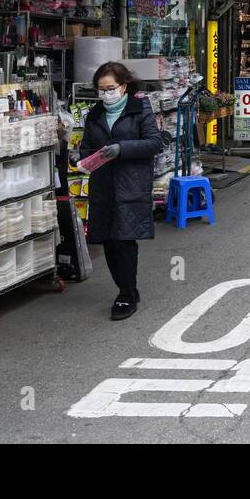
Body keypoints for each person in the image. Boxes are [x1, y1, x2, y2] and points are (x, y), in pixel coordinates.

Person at [78, 61, 165, 320]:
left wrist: (121, 148)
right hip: (103, 184)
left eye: (110, 88)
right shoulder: (94, 114)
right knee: (107, 238)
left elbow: (154, 142)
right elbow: (85, 146)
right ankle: (125, 289)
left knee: (124, 239)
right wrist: (83, 160)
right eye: (101, 89)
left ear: (123, 86)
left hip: (131, 183)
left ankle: (127, 294)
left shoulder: (140, 109)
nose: (106, 93)